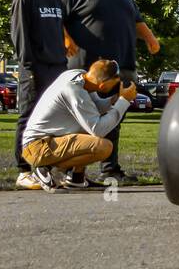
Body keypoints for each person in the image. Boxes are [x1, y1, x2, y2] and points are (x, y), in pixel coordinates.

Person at [58, 0, 160, 185]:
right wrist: (65, 39)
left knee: (115, 116)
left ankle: (110, 170)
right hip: (88, 69)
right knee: (80, 120)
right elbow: (56, 17)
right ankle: (71, 170)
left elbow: (136, 19)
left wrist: (150, 39)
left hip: (122, 65)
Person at [19, 59, 136, 191]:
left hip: (44, 142)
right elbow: (99, 130)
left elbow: (95, 108)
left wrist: (114, 100)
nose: (117, 85)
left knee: (87, 130)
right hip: (37, 147)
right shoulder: (75, 91)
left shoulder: (78, 76)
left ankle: (76, 179)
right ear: (102, 86)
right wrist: (124, 102)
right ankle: (45, 169)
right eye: (115, 83)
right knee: (104, 147)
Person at [10, 0, 68, 189]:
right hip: (35, 68)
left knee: (52, 118)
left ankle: (45, 166)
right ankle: (23, 170)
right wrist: (29, 67)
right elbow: (20, 35)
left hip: (57, 67)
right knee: (28, 115)